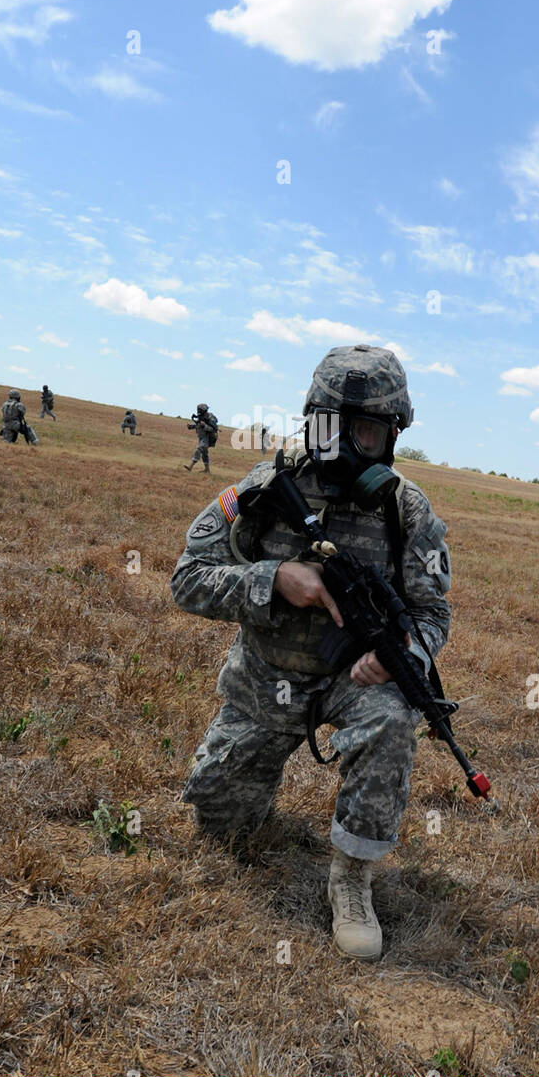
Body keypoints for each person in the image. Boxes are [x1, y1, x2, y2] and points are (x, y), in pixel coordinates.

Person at [170, 345, 452, 961]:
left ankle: (352, 874)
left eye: (371, 432)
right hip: (265, 679)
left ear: (392, 437)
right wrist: (274, 580)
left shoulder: (407, 510)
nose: (353, 448)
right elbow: (186, 579)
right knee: (221, 826)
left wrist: (407, 649)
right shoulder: (264, 489)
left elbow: (434, 613)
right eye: (338, 430)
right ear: (313, 422)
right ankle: (242, 781)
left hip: (351, 680)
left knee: (393, 715)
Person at [184, 403, 218, 474]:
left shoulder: (209, 418)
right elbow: (198, 424)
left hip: (208, 437)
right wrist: (191, 426)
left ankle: (190, 466)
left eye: (200, 409)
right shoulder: (201, 416)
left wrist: (204, 426)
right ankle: (207, 470)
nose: (198, 410)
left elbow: (213, 429)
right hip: (202, 437)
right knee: (204, 453)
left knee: (199, 449)